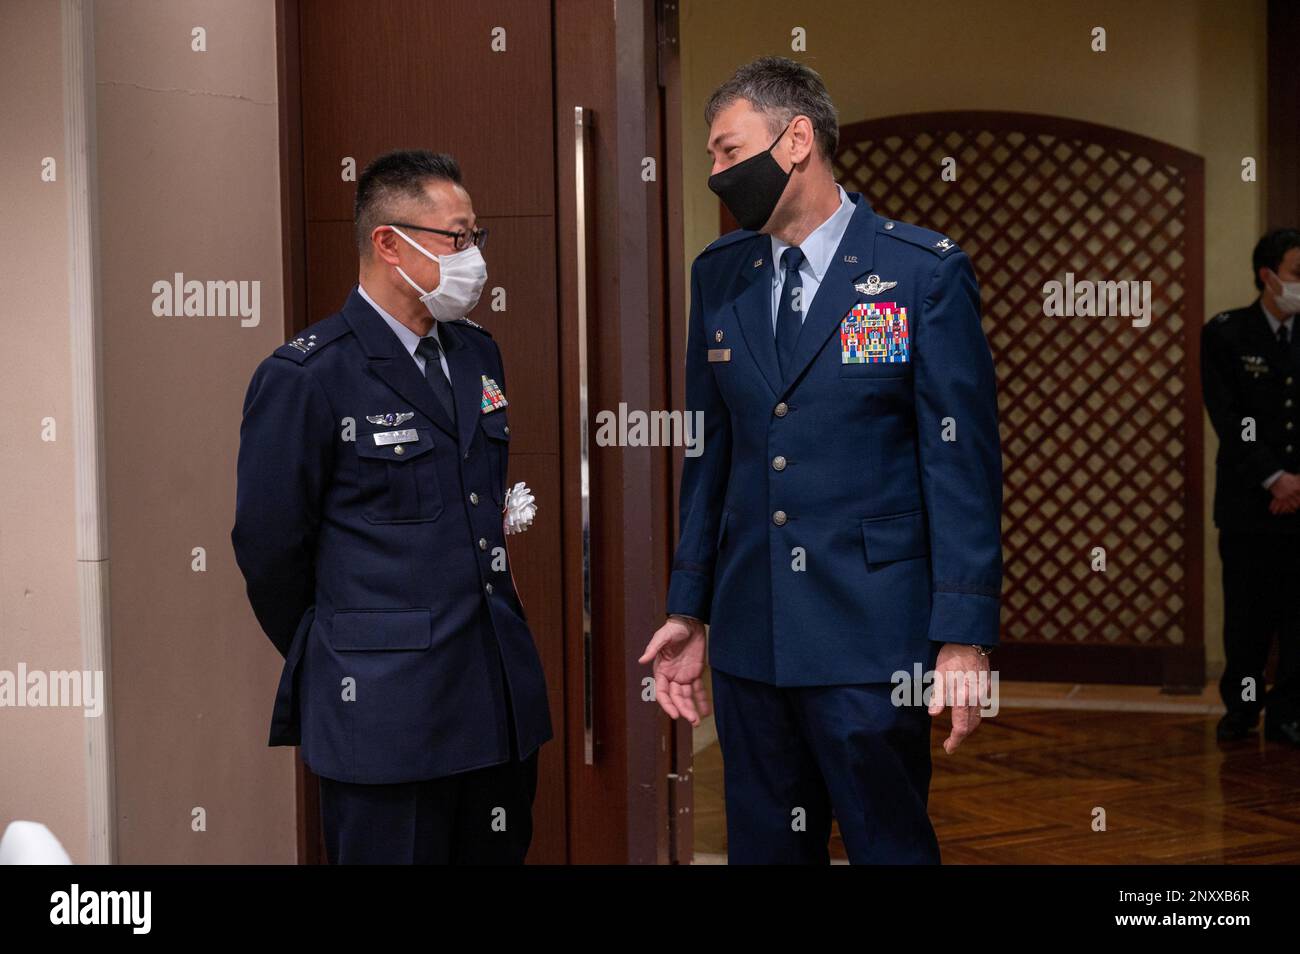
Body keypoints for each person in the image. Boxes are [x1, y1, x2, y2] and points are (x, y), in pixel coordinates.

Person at [640, 57, 1003, 863]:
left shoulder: (920, 272)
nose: (715, 174)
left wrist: (962, 636)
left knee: (889, 844)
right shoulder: (719, 276)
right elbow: (711, 453)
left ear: (796, 139)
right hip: (751, 634)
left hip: (873, 636)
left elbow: (962, 465)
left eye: (728, 152)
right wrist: (688, 607)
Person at [231, 149, 552, 863]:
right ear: (388, 242)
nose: (474, 257)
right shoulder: (308, 376)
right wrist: (354, 649)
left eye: (476, 238)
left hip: (495, 704)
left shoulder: (476, 356)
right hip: (383, 717)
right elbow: (268, 549)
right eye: (456, 237)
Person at [1201, 227, 1300, 747]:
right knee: (1246, 618)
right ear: (1268, 275)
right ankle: (1241, 710)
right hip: (1248, 504)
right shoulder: (1225, 333)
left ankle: (1288, 714)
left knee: (1298, 620)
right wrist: (1275, 478)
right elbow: (1228, 416)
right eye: (1296, 274)